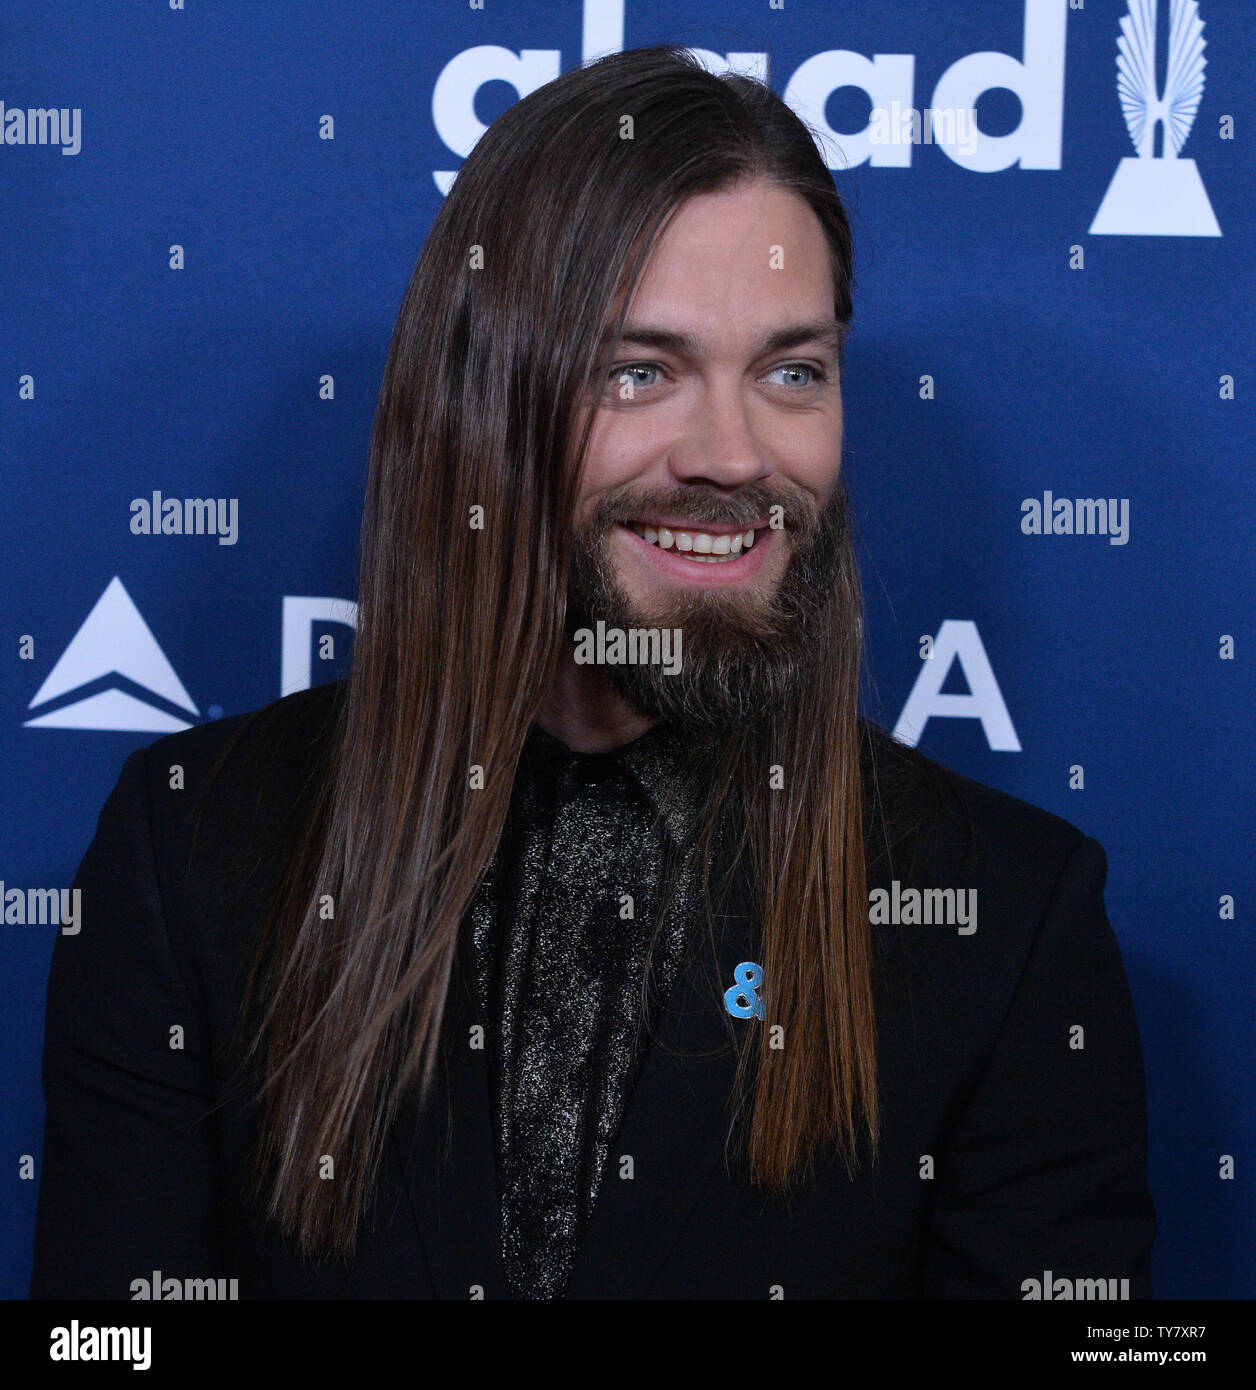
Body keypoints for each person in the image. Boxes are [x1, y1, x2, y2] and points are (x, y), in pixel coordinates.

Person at [30, 45, 1155, 1300]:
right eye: (638, 372)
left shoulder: (1005, 919)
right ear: (481, 403)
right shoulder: (191, 852)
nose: (731, 455)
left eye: (790, 372)